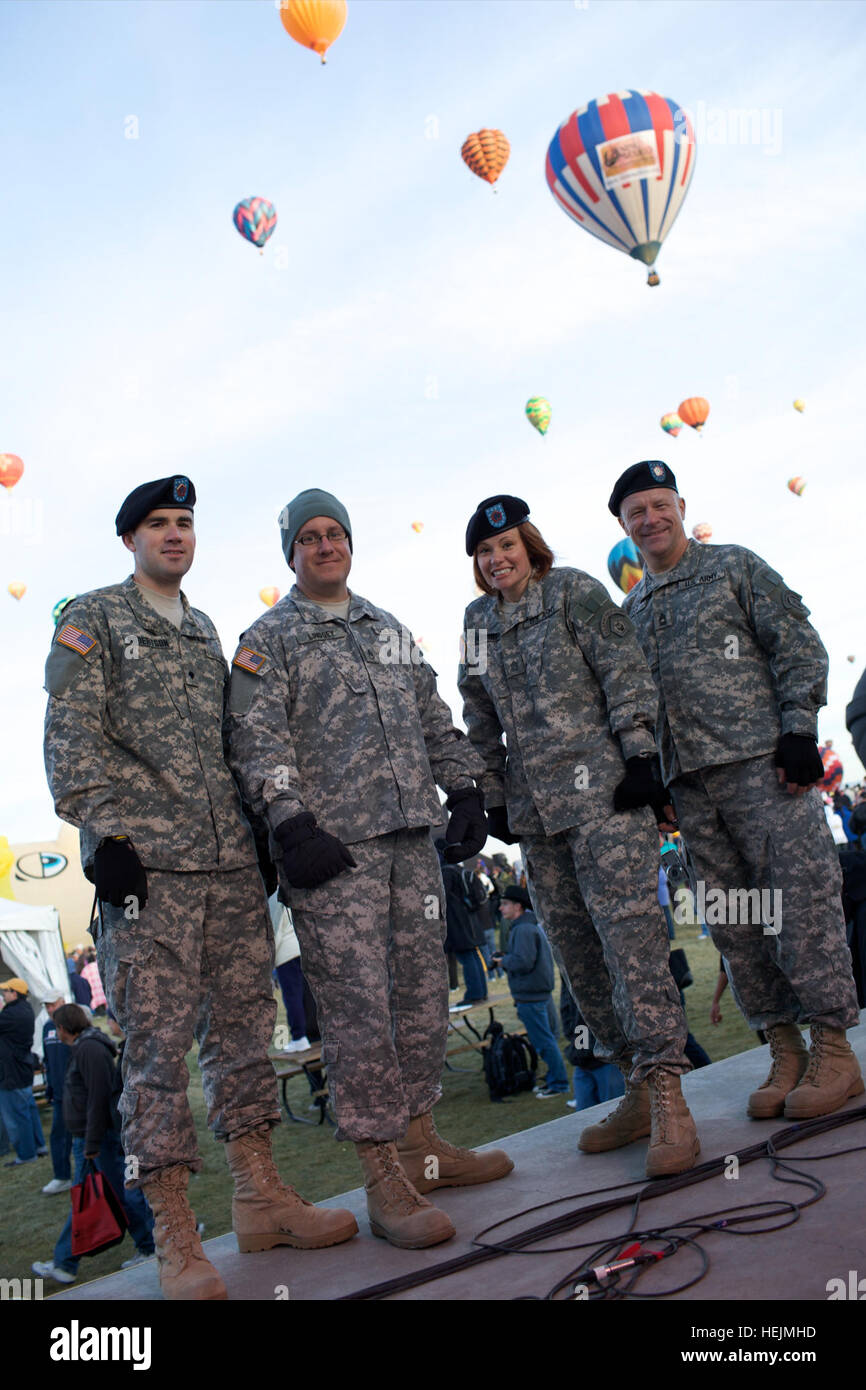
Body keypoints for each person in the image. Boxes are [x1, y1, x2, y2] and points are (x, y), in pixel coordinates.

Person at [43, 475, 357, 1301]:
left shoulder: (207, 628)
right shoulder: (94, 617)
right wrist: (106, 835)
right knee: (153, 1057)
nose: (175, 535)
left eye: (184, 523)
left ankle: (259, 1196)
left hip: (225, 871)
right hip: (148, 875)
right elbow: (71, 734)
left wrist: (258, 837)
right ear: (130, 540)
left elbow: (229, 741)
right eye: (158, 524)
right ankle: (177, 1234)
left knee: (244, 1040)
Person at [227, 488, 513, 1249]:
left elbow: (432, 717)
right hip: (334, 855)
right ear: (291, 552)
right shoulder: (269, 639)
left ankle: (422, 1146)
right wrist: (292, 823)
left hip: (410, 846)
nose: (326, 547)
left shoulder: (386, 628)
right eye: (311, 538)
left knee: (423, 999)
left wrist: (466, 789)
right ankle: (382, 1175)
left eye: (336, 535)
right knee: (358, 1015)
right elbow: (258, 745)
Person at [613, 458, 863, 1119]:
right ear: (623, 525)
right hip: (689, 791)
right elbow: (631, 704)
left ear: (681, 506)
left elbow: (797, 644)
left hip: (764, 769)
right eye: (637, 511)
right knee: (735, 924)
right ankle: (782, 1048)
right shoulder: (629, 612)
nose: (651, 518)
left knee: (801, 907)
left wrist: (799, 730)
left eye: (660, 504)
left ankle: (833, 1049)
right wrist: (653, 776)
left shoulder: (733, 568)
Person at [458, 495, 697, 1179]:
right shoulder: (477, 622)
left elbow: (624, 673)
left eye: (507, 546)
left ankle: (672, 1098)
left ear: (530, 547)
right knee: (582, 963)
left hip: (607, 806)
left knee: (634, 948)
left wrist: (642, 756)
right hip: (538, 823)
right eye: (484, 552)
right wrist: (493, 795)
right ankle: (636, 1087)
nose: (497, 559)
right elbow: (477, 716)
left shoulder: (573, 594)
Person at [32, 1003, 156, 1285]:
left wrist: (92, 1142)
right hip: (91, 1138)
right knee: (95, 1195)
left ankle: (149, 1244)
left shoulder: (89, 1049)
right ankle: (66, 1262)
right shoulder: (86, 1047)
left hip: (96, 1138)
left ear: (63, 1028)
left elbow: (98, 1097)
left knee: (119, 1194)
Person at [493, 886, 570, 1097]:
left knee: (544, 1041)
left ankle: (559, 1083)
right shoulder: (526, 926)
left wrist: (503, 961)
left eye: (505, 904)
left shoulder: (523, 929)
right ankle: (555, 1078)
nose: (500, 908)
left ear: (518, 906)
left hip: (531, 994)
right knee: (546, 1040)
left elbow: (524, 962)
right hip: (536, 991)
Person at [435, 839, 489, 1009]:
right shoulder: (459, 869)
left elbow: (441, 899)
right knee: (473, 955)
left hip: (458, 923)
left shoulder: (445, 872)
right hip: (470, 921)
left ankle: (474, 993)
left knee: (466, 957)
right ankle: (481, 991)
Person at [0, 978, 43, 1165]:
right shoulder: (23, 1009)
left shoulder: (12, 1014)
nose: (3, 995)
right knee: (28, 1110)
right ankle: (38, 1146)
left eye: (6, 991)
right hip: (20, 1068)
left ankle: (26, 1154)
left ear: (14, 993)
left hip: (11, 1072)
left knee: (17, 1116)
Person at [42, 994, 74, 1194]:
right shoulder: (47, 1027)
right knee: (58, 1135)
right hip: (59, 1092)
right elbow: (47, 1058)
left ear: (62, 1002)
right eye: (47, 1005)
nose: (50, 1008)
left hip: (75, 1091)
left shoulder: (72, 1022)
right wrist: (50, 1085)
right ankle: (61, 1176)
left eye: (53, 1004)